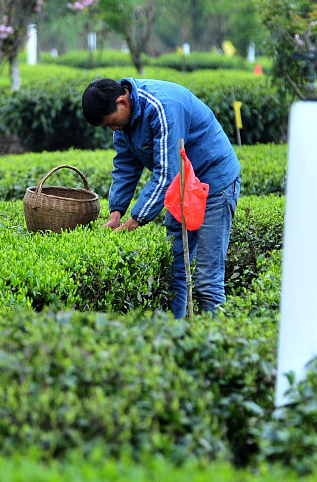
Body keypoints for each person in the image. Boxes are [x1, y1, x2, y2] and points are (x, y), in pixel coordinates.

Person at [82, 77, 241, 318]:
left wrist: (135, 219)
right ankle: (176, 333)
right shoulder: (124, 124)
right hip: (182, 188)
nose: (113, 129)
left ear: (122, 101)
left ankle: (214, 336)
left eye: (112, 122)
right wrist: (116, 213)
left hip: (214, 184)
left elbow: (167, 174)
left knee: (207, 282)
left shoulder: (162, 107)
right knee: (176, 271)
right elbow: (125, 166)